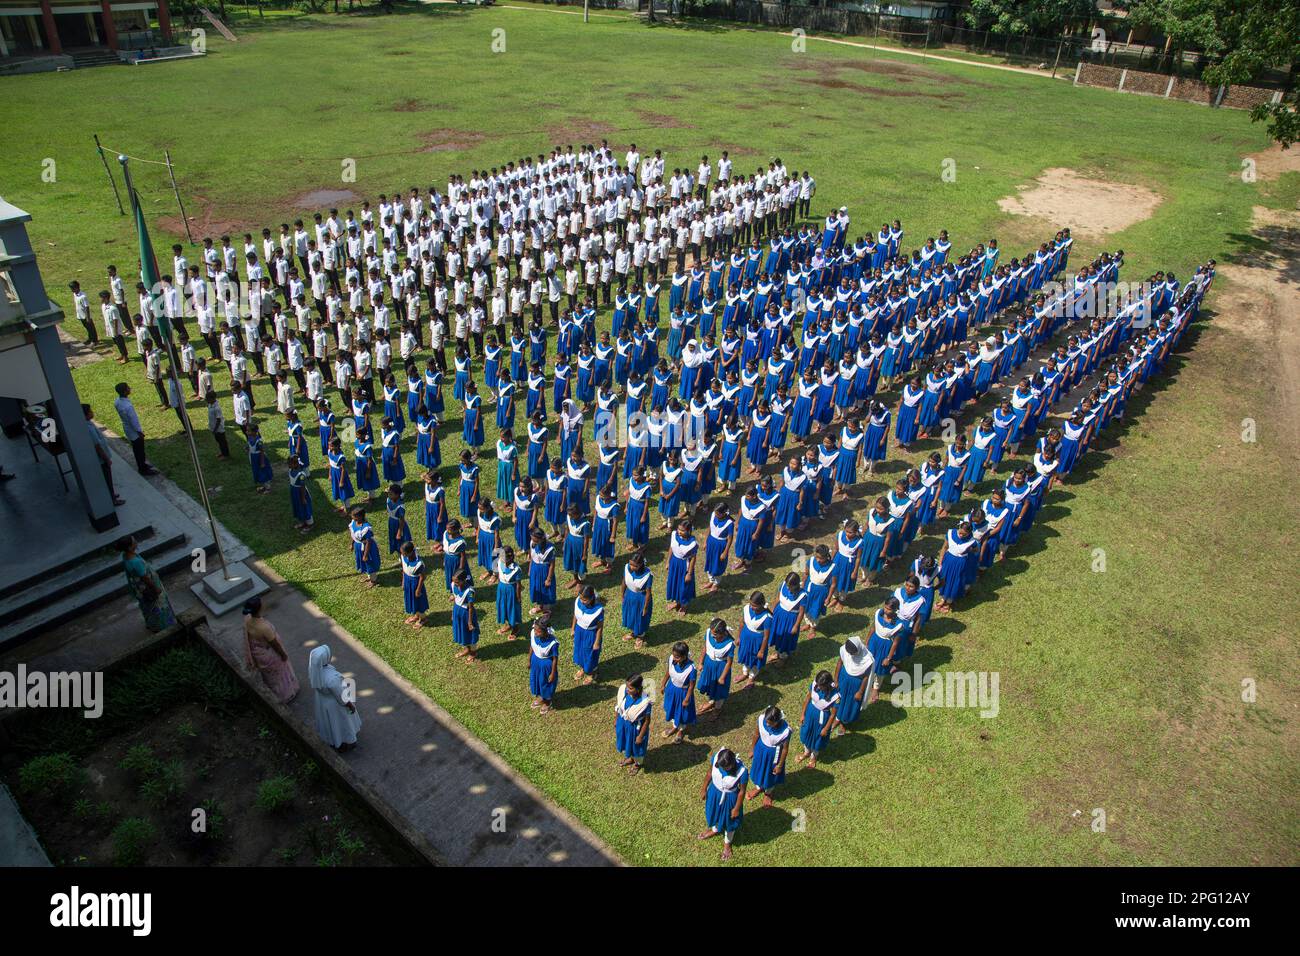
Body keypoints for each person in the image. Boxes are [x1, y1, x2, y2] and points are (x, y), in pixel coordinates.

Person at [242, 596, 300, 704]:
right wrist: (283, 655)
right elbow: (275, 644)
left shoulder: (247, 620)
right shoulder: (264, 627)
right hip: (269, 654)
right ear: (259, 608)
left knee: (270, 677)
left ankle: (275, 694)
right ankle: (286, 695)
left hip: (258, 654)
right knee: (280, 675)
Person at [309, 645, 361, 752]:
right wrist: (350, 705)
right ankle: (346, 742)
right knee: (341, 723)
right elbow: (341, 696)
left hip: (322, 701)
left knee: (329, 723)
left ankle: (333, 739)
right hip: (335, 706)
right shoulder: (332, 678)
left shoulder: (314, 670)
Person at [698, 747, 748, 860]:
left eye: (724, 767)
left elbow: (742, 791)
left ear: (731, 764)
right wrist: (704, 788)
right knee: (714, 813)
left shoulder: (742, 772)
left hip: (730, 799)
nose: (720, 768)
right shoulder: (716, 757)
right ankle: (715, 829)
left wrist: (736, 808)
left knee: (729, 822)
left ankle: (727, 844)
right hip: (714, 794)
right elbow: (710, 773)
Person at [117, 536, 175, 633]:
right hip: (148, 587)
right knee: (159, 605)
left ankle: (152, 625)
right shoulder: (136, 562)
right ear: (129, 547)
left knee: (147, 607)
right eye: (134, 541)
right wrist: (156, 588)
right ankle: (164, 625)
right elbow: (145, 578)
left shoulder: (125, 555)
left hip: (140, 588)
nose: (136, 542)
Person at [796, 669, 840, 769]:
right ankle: (806, 752)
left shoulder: (835, 696)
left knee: (818, 738)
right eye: (818, 684)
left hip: (822, 719)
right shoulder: (815, 685)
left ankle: (813, 757)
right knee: (806, 732)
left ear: (828, 684)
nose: (819, 687)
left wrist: (826, 728)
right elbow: (808, 698)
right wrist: (803, 714)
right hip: (810, 713)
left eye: (821, 686)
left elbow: (833, 714)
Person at [747, 705, 791, 807]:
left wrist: (779, 765)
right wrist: (752, 748)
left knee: (770, 775)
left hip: (773, 756)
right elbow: (756, 734)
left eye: (770, 723)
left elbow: (785, 749)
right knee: (759, 771)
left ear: (777, 721)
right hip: (760, 750)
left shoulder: (785, 731)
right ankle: (759, 787)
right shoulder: (762, 719)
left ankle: (768, 793)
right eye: (766, 721)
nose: (767, 724)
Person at [83, 404, 125, 506]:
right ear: (85, 414)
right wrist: (106, 459)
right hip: (102, 459)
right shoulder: (88, 428)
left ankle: (111, 494)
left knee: (108, 477)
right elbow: (97, 446)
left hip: (102, 457)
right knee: (107, 479)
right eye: (90, 411)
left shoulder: (89, 423)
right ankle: (112, 499)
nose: (92, 412)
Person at [113, 383, 158, 475]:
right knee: (140, 451)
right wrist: (140, 432)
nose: (130, 388)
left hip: (127, 429)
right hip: (134, 432)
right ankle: (143, 469)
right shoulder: (128, 407)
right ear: (125, 391)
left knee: (137, 449)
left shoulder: (117, 401)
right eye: (128, 388)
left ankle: (143, 465)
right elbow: (134, 421)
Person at [833, 636, 874, 733]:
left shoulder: (867, 659)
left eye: (852, 653)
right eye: (849, 653)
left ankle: (844, 723)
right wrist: (836, 679)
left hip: (855, 685)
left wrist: (860, 692)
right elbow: (840, 663)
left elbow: (865, 677)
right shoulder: (845, 650)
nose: (850, 655)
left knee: (849, 704)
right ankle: (837, 718)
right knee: (839, 699)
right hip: (843, 679)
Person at [697, 618, 735, 718]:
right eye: (712, 634)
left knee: (719, 690)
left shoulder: (729, 644)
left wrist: (722, 677)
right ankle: (711, 701)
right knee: (710, 685)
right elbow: (705, 648)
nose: (712, 636)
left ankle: (718, 708)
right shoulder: (709, 633)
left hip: (720, 669)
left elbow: (729, 662)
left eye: (715, 635)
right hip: (709, 665)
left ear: (722, 634)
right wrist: (701, 662)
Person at [615, 673, 652, 774]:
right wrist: (616, 720)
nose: (627, 690)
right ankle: (630, 758)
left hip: (636, 729)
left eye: (630, 688)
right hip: (624, 724)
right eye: (627, 687)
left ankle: (637, 763)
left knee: (637, 748)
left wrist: (640, 736)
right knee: (626, 743)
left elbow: (647, 721)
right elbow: (619, 707)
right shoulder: (624, 692)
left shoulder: (645, 702)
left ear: (638, 689)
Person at [660, 641, 697, 743]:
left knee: (681, 713)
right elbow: (668, 672)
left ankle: (680, 730)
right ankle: (674, 726)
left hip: (682, 693)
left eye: (677, 657)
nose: (675, 658)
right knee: (672, 709)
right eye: (674, 655)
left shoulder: (691, 669)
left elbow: (691, 686)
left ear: (685, 656)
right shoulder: (672, 659)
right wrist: (663, 684)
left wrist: (686, 699)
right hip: (672, 689)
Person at [571, 584, 604, 685]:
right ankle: (583, 668)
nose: (582, 601)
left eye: (585, 600)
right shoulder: (578, 602)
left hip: (591, 634)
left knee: (590, 654)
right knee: (580, 650)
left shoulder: (598, 610)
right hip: (579, 631)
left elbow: (600, 627)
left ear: (591, 598)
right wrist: (573, 629)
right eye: (581, 598)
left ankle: (591, 673)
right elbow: (575, 616)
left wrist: (597, 642)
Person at [620, 549, 653, 647]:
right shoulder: (627, 568)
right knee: (631, 615)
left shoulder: (647, 575)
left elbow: (648, 593)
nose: (632, 567)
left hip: (641, 599)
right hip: (629, 596)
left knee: (640, 618)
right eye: (631, 564)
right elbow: (624, 582)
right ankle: (634, 632)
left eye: (635, 565)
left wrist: (645, 607)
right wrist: (622, 595)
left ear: (641, 564)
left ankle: (640, 636)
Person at [528, 619, 560, 713]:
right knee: (537, 681)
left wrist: (552, 673)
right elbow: (532, 646)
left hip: (546, 667)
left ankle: (547, 701)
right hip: (535, 662)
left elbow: (555, 658)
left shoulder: (553, 643)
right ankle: (541, 697)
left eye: (539, 631)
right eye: (535, 630)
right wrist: (529, 660)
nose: (536, 633)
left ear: (546, 631)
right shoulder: (533, 635)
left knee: (545, 683)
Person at [348, 506, 380, 588]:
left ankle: (374, 580)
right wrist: (352, 544)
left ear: (360, 517)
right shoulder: (354, 523)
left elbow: (368, 542)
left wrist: (365, 555)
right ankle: (369, 577)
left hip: (367, 549)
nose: (352, 517)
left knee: (369, 563)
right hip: (358, 547)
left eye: (354, 516)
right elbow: (353, 535)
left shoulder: (366, 528)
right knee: (364, 563)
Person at [399, 541, 429, 627]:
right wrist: (403, 581)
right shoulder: (403, 557)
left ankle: (423, 618)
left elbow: (423, 576)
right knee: (411, 600)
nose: (402, 555)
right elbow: (404, 570)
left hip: (415, 584)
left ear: (410, 552)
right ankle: (416, 615)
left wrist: (418, 589)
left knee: (418, 602)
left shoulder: (419, 564)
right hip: (408, 581)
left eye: (404, 553)